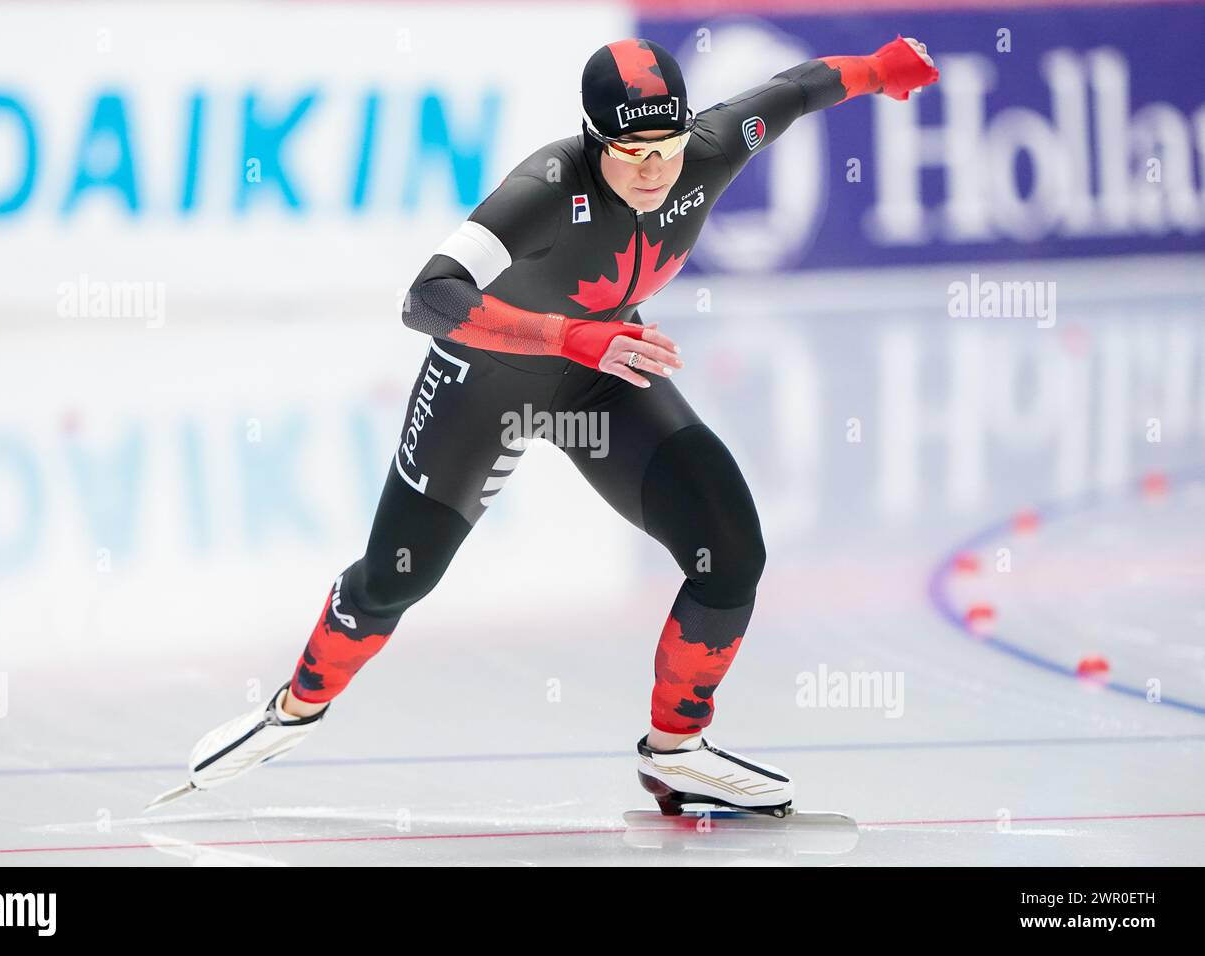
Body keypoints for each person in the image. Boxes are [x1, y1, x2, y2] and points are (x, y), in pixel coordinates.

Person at [152, 35, 938, 816]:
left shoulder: (710, 149)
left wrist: (879, 70)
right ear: (595, 141)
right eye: (632, 153)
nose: (655, 170)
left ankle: (676, 752)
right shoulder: (545, 187)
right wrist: (568, 335)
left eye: (666, 147)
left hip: (601, 377)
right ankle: (295, 706)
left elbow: (798, 87)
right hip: (487, 385)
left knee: (730, 551)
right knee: (397, 579)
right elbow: (426, 299)